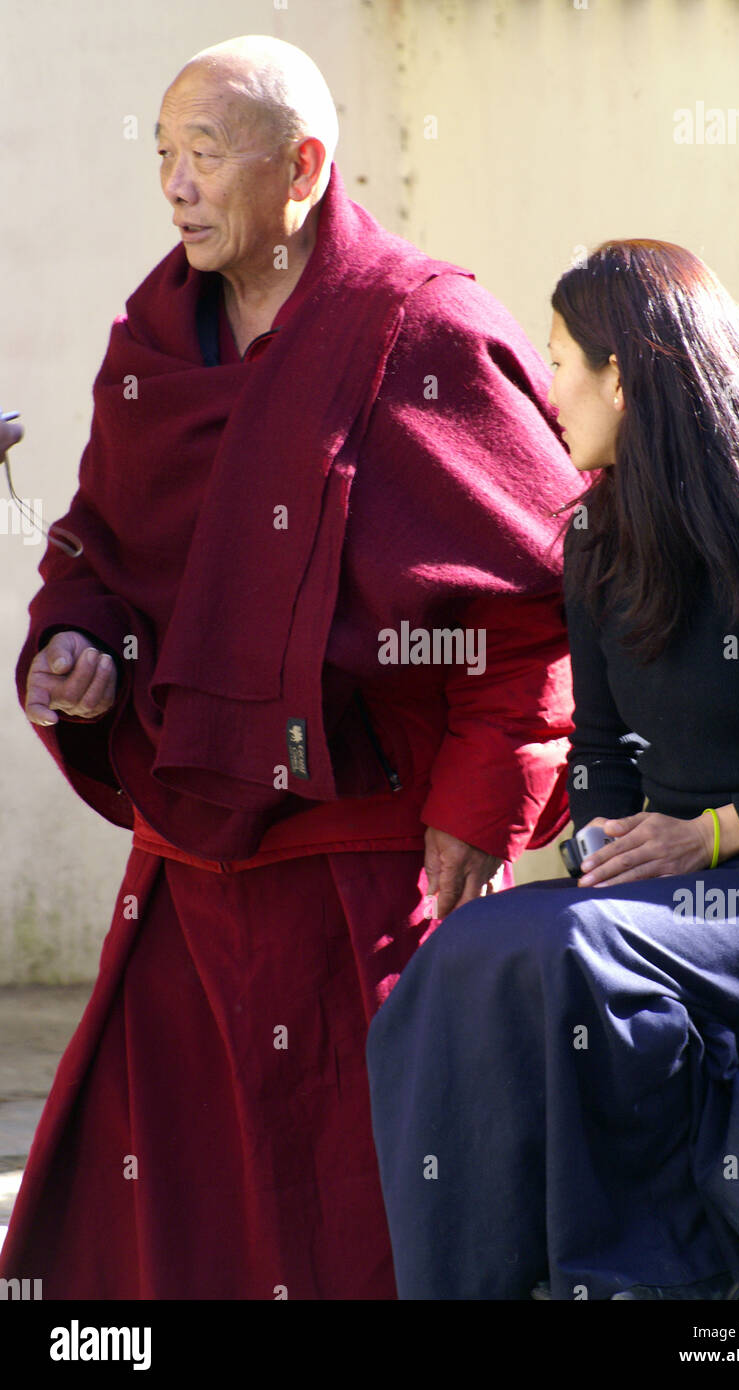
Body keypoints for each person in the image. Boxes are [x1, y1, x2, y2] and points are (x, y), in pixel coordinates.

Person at [0, 35, 579, 1300]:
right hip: (188, 870)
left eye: (204, 154)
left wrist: (477, 815)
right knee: (162, 1235)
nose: (174, 186)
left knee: (359, 1214)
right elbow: (97, 546)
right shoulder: (157, 336)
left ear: (304, 166)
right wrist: (76, 648)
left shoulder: (422, 331)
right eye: (163, 155)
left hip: (363, 869)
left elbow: (536, 608)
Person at [366, 238, 739, 1301]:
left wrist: (716, 833)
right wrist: (599, 840)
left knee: (584, 956)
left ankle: (645, 1279)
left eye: (558, 363)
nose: (548, 393)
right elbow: (599, 752)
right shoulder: (593, 537)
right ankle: (471, 1281)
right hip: (682, 887)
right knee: (464, 952)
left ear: (623, 378)